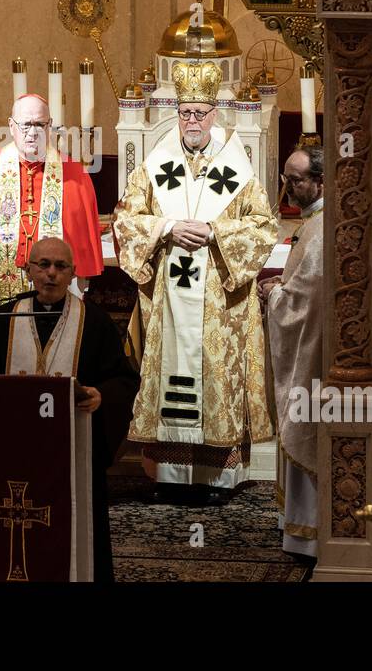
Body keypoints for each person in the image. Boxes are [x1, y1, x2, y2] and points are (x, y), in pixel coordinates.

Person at [113, 60, 277, 502]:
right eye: (185, 113)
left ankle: (216, 481)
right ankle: (170, 477)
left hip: (220, 305)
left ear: (214, 116)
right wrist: (165, 228)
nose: (192, 122)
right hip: (168, 300)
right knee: (174, 380)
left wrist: (216, 233)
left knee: (215, 379)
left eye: (200, 114)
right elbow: (126, 220)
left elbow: (264, 227)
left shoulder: (237, 168)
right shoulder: (155, 164)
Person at [0, 237, 139, 581]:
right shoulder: (3, 317)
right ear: (29, 270)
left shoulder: (94, 322)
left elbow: (124, 379)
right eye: (43, 265)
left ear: (73, 273)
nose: (51, 274)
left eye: (60, 267)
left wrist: (101, 395)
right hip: (9, 456)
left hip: (73, 452)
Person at [0, 93, 103, 306]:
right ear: (11, 126)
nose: (32, 133)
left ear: (50, 126)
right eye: (25, 125)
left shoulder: (75, 174)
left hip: (57, 284)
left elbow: (84, 244)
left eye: (40, 124)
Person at [262, 147, 325, 562]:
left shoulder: (321, 229)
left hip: (313, 352)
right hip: (310, 345)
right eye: (286, 178)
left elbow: (308, 297)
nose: (289, 187)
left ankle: (309, 533)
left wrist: (274, 296)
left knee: (306, 422)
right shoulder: (315, 223)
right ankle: (298, 528)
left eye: (297, 179)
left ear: (320, 180)